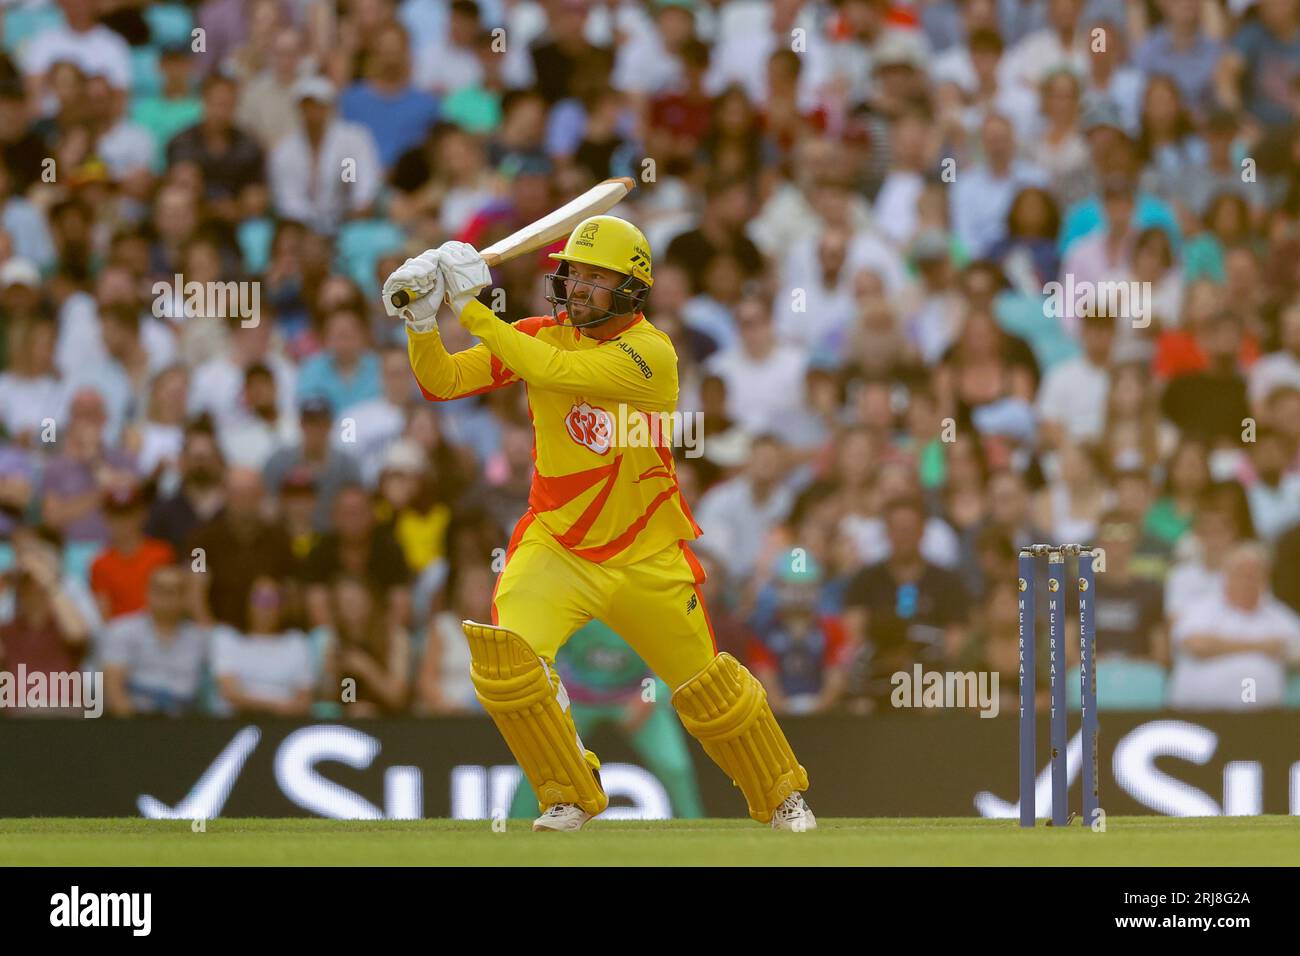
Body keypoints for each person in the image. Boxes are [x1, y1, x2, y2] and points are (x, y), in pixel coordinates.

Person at [384, 216, 814, 831]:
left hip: (646, 553)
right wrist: (423, 321)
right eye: (572, 273)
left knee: (709, 694)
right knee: (511, 667)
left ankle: (781, 798)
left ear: (633, 288)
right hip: (558, 546)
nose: (577, 286)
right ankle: (567, 794)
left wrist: (471, 307)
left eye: (593, 276)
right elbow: (443, 380)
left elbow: (557, 374)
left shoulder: (652, 354)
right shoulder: (541, 334)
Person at [1168, 543, 1300, 710]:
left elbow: (1296, 650)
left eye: (1255, 574)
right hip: (1200, 713)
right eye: (1242, 574)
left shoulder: (1278, 614)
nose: (1248, 581)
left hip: (1263, 718)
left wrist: (1220, 645)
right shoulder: (1202, 609)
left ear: (1265, 579)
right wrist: (1265, 646)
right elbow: (1196, 645)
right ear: (1226, 576)